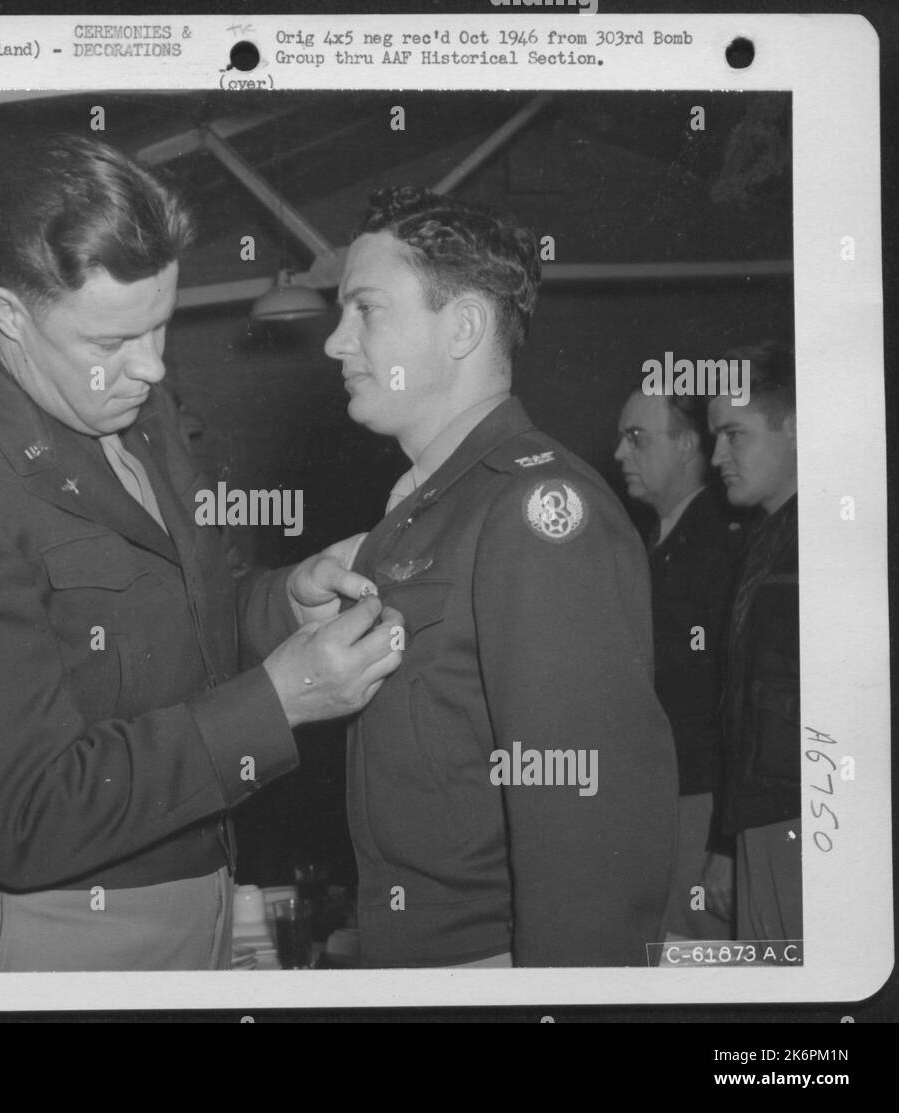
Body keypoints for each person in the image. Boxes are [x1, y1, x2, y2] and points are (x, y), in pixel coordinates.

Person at [0, 135, 402, 972]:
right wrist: (278, 702)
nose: (151, 366)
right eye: (110, 343)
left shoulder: (134, 413)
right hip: (40, 935)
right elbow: (26, 818)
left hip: (193, 901)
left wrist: (285, 601)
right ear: (10, 316)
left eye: (161, 325)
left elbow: (178, 620)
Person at [246, 187, 678, 967]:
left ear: (465, 327)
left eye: (366, 310)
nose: (335, 343)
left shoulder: (536, 509)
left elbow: (588, 836)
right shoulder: (425, 508)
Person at [613, 389, 745, 940]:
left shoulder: (726, 545)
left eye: (637, 437)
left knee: (692, 962)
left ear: (689, 445)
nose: (620, 453)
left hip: (699, 801)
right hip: (656, 800)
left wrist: (725, 837)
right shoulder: (651, 540)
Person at [706, 342, 800, 944]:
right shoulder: (766, 538)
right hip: (764, 819)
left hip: (798, 821)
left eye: (734, 435)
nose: (717, 456)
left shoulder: (825, 535)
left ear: (793, 427)